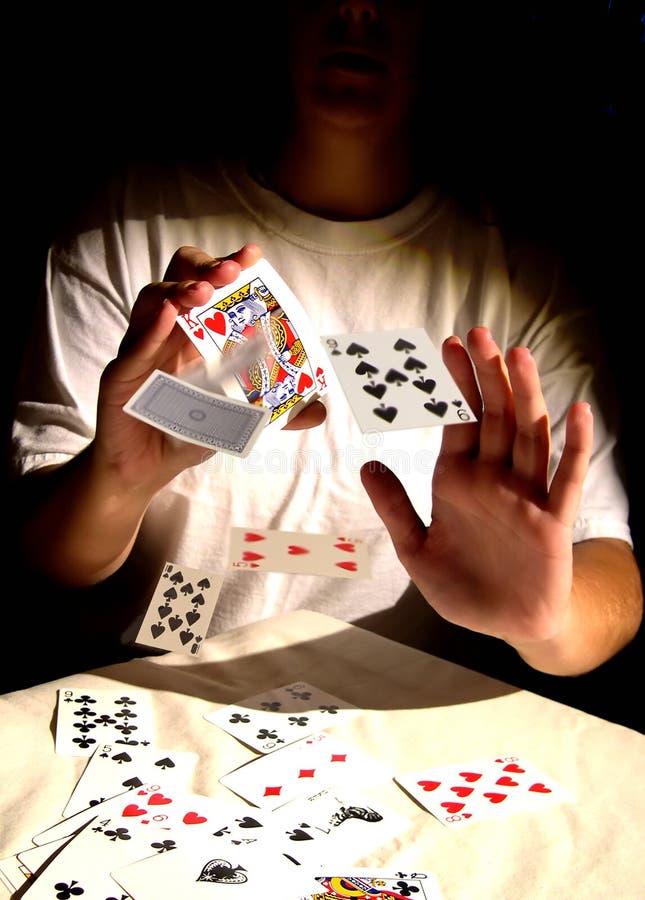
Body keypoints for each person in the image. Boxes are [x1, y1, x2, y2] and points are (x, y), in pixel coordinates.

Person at [10, 1, 642, 685]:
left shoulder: (517, 276)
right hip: (149, 678)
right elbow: (48, 559)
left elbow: (606, 563)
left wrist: (546, 621)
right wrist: (119, 478)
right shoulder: (135, 224)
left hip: (383, 706)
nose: (358, 7)